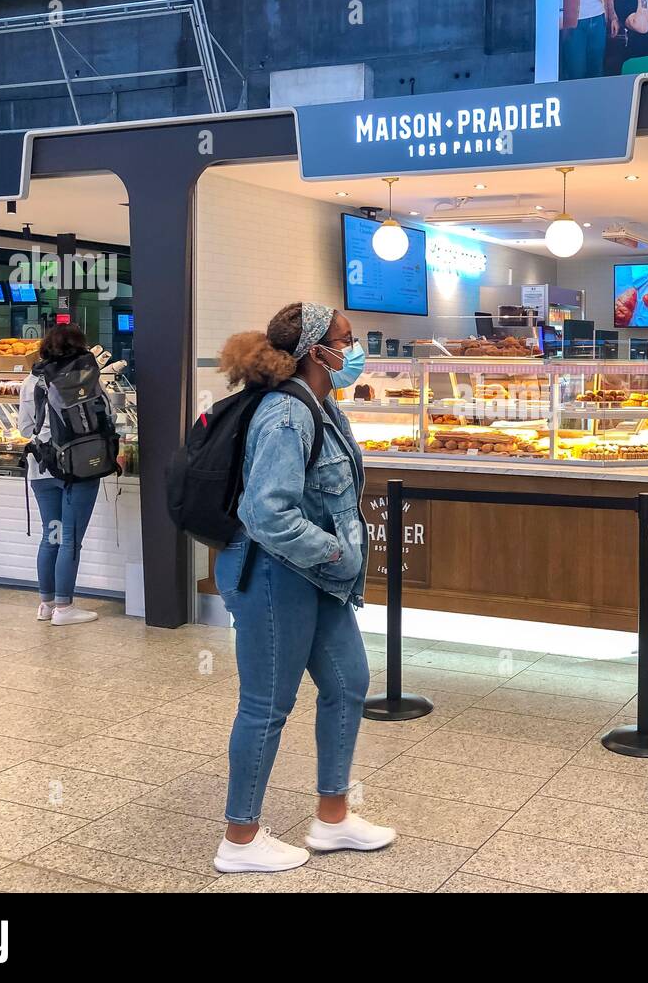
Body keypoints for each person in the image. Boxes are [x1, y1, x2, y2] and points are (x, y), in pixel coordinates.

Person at [212, 302, 394, 874]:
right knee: (268, 704)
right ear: (317, 352)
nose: (355, 347)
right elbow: (267, 515)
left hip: (315, 576)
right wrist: (336, 552)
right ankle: (239, 839)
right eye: (346, 338)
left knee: (349, 682)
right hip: (273, 572)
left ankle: (332, 819)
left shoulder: (324, 407)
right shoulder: (286, 416)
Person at [20, 324, 107, 626]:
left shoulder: (30, 381)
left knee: (52, 534)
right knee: (70, 539)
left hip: (42, 469)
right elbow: (106, 417)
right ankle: (65, 608)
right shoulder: (87, 378)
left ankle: (46, 604)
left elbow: (22, 429)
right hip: (79, 468)